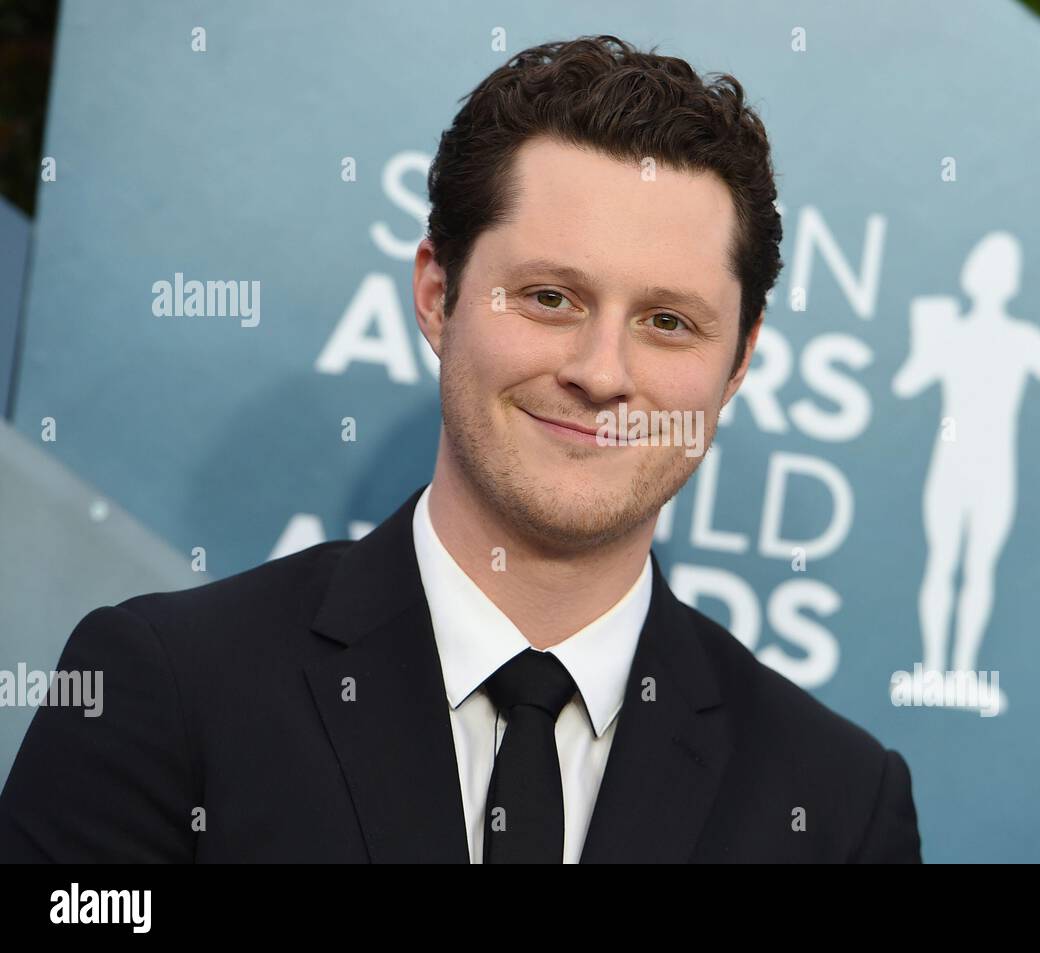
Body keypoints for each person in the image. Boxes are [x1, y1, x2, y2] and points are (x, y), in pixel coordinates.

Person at [0, 34, 921, 863]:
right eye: (550, 298)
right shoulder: (168, 693)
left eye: (668, 321)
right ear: (438, 297)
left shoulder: (838, 807)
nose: (602, 373)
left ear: (739, 362)